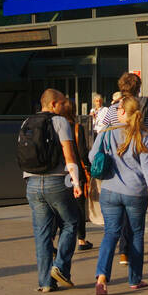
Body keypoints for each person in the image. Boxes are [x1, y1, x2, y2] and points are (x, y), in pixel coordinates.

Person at [90, 97, 148, 295]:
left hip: (109, 191)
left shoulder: (106, 133)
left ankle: (102, 277)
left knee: (111, 233)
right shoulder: (143, 135)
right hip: (135, 193)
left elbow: (92, 157)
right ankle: (135, 279)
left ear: (123, 112)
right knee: (136, 234)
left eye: (119, 108)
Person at [21, 88, 84, 292]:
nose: (65, 105)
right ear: (54, 104)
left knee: (42, 234)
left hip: (31, 183)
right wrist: (76, 181)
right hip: (56, 181)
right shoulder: (60, 122)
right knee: (71, 221)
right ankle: (61, 267)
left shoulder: (26, 123)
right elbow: (68, 153)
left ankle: (45, 283)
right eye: (62, 102)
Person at [59, 96, 94, 251]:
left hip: (60, 171)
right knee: (79, 205)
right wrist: (87, 167)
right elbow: (82, 151)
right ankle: (81, 239)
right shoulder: (77, 127)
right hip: (75, 170)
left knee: (63, 203)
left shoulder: (56, 126)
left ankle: (60, 237)